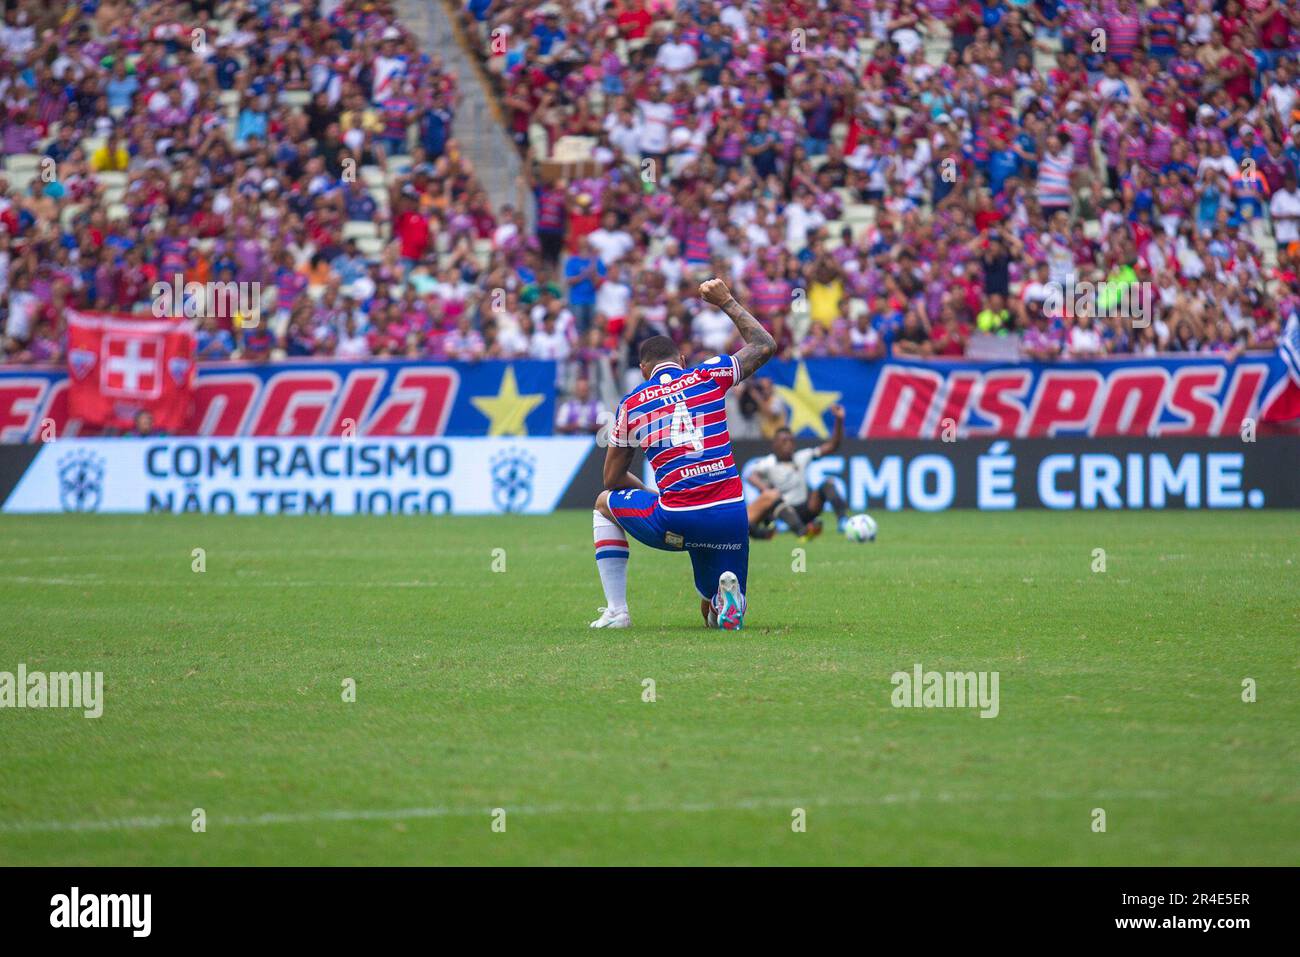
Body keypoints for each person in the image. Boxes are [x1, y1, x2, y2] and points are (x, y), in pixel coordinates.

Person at [589, 279, 776, 632]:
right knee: (711, 607)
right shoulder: (708, 374)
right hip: (732, 515)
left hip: (678, 518)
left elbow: (611, 480)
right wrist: (727, 301)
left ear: (644, 371)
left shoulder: (632, 404)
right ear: (683, 360)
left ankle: (617, 611)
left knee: (603, 502)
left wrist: (655, 495)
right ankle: (724, 601)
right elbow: (764, 345)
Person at [744, 405, 850, 542]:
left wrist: (839, 420)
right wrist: (765, 489)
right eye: (784, 441)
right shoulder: (768, 463)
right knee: (774, 498)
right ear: (775, 444)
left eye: (791, 441)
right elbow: (751, 476)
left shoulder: (802, 456)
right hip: (784, 511)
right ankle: (802, 532)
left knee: (828, 483)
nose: (788, 444)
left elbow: (832, 446)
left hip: (806, 508)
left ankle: (843, 521)